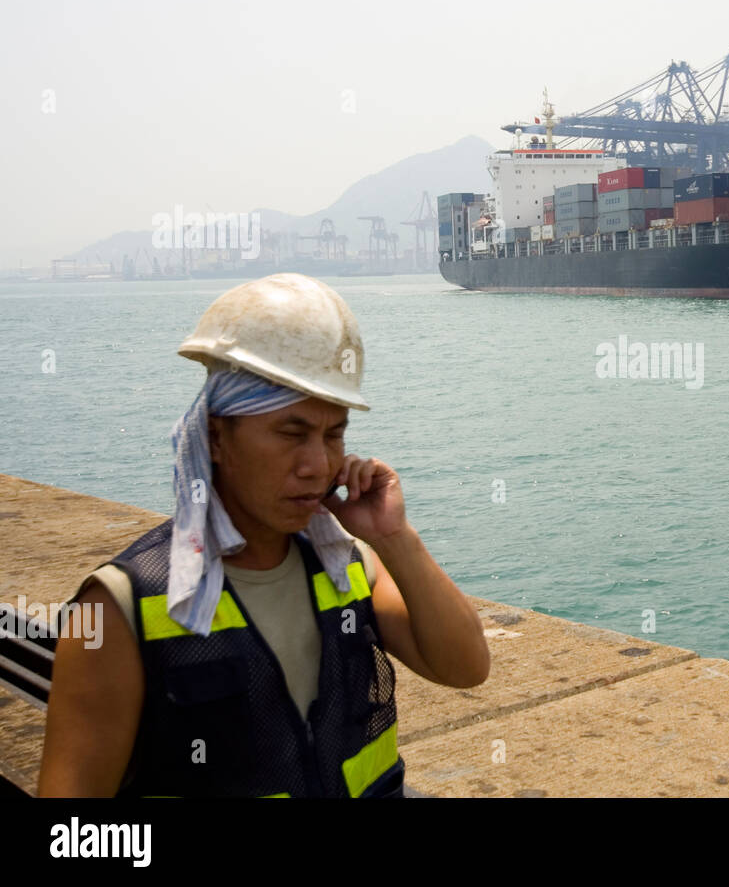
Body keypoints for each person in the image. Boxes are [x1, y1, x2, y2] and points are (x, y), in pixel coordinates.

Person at [38, 272, 490, 797]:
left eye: (334, 434)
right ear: (216, 437)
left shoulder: (344, 566)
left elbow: (465, 667)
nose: (318, 465)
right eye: (291, 434)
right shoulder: (120, 609)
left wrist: (394, 536)